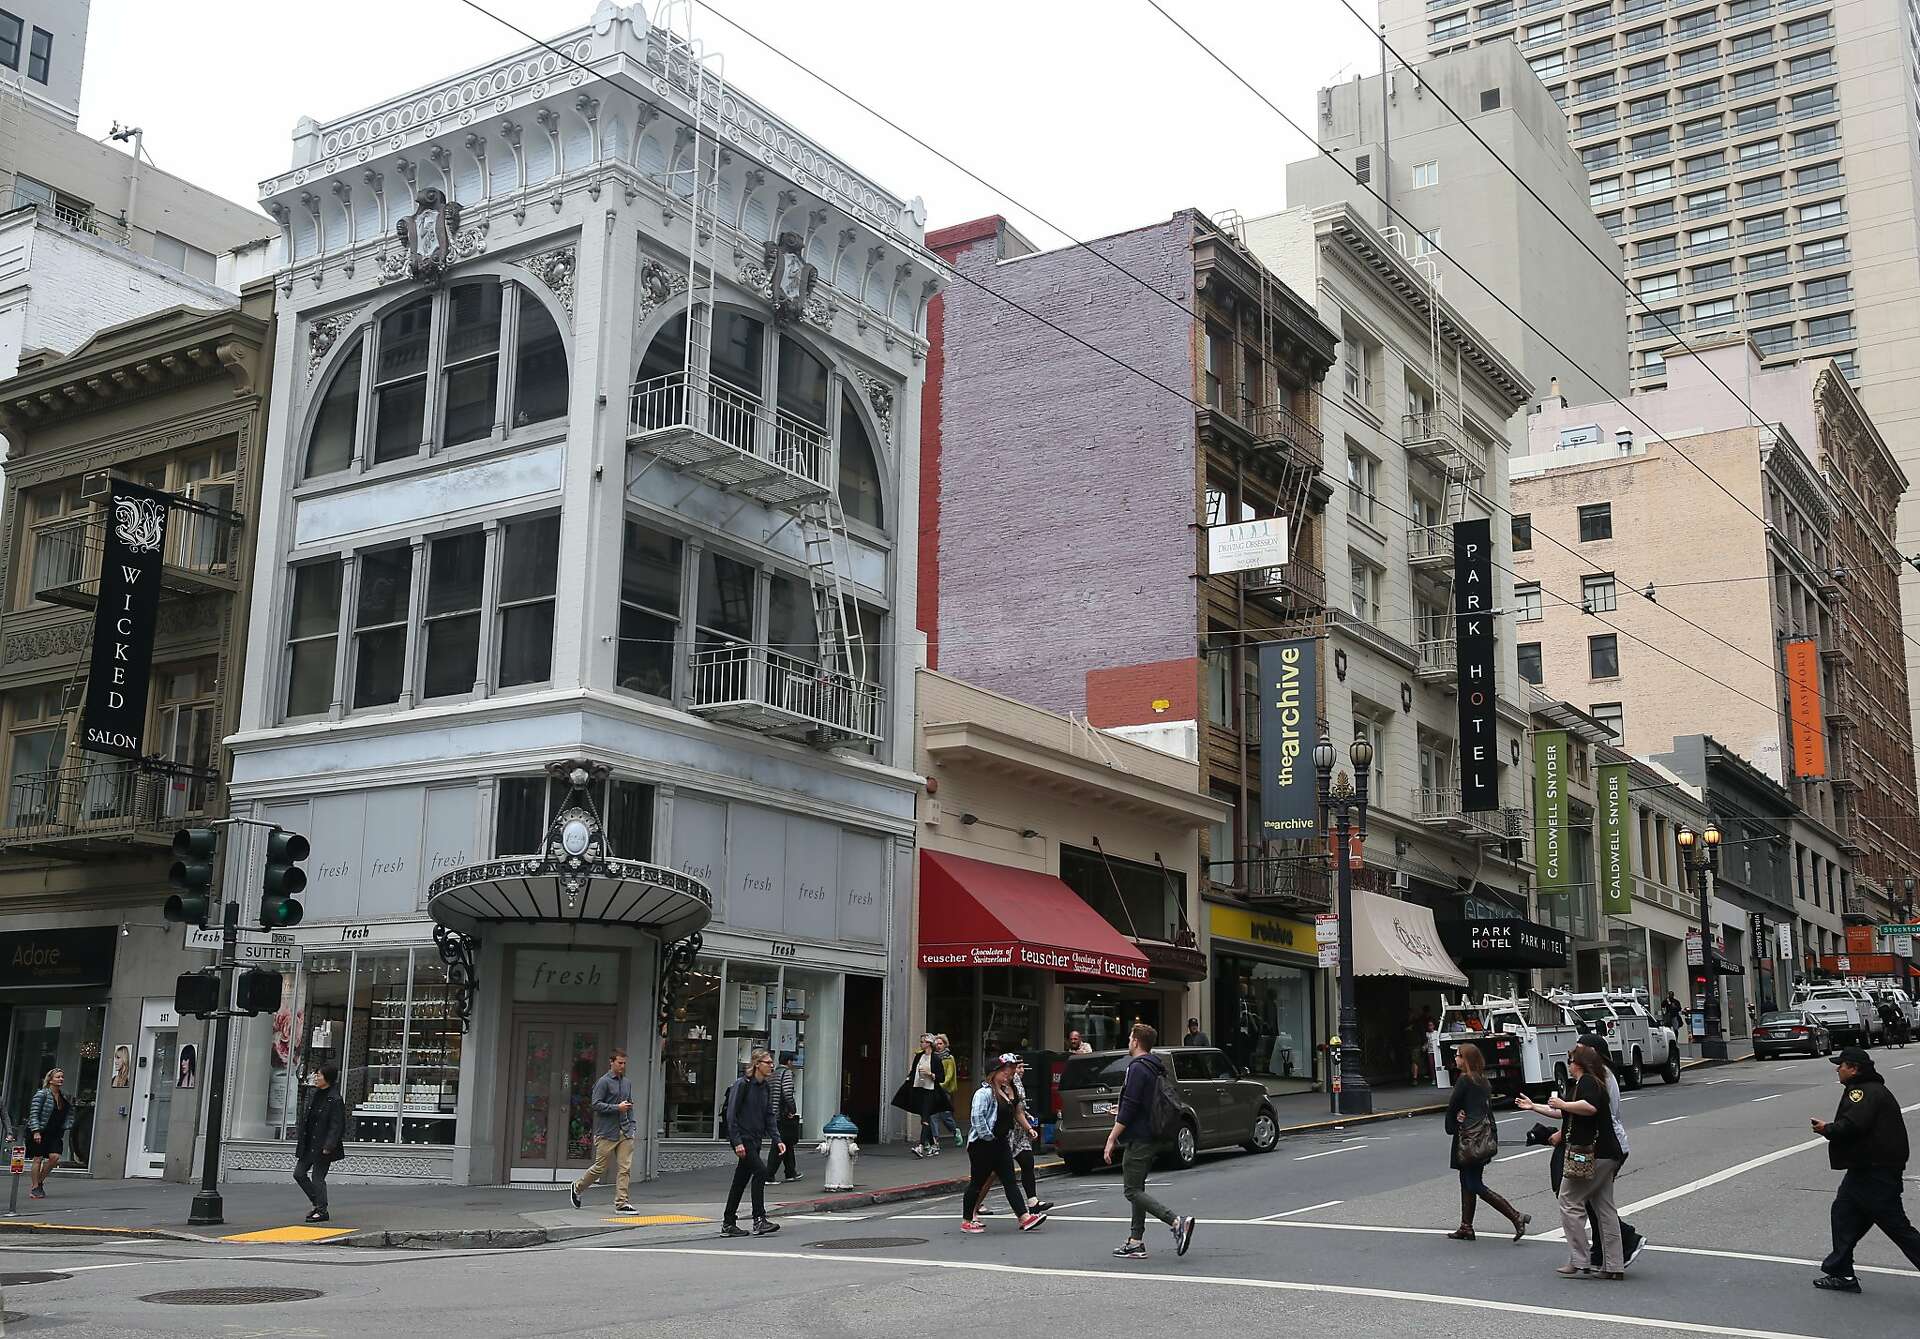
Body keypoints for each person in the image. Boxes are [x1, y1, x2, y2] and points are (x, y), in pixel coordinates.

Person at [1810, 1046, 1920, 1292]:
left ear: (1854, 1069)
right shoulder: (1871, 1089)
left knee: (1897, 1227)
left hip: (1875, 1172)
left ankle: (1841, 1271)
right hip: (1866, 1169)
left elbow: (1852, 1125)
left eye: (1841, 1065)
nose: (1838, 1070)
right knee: (1843, 1215)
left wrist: (1827, 1129)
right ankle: (1841, 1273)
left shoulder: (1861, 1092)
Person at [1519, 1043, 1624, 1279]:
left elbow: (1589, 1108)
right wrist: (1533, 1106)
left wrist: (1563, 1104)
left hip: (1593, 1153)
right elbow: (1564, 1112)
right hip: (1607, 1153)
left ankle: (1580, 1259)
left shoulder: (1587, 1081)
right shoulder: (1590, 1082)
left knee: (1568, 1199)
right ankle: (1613, 1265)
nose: (1568, 1065)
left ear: (1579, 1063)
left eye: (1570, 1060)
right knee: (1604, 1207)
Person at [1103, 1023, 1196, 1260]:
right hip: (1154, 1132)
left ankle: (1176, 1222)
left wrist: (1111, 1138)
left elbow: (1131, 1106)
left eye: (1130, 1038)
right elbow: (1144, 1102)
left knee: (1131, 1190)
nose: (1128, 1041)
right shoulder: (1155, 1066)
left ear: (1136, 1041)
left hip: (1140, 1136)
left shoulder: (1136, 1067)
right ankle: (1135, 1241)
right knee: (1138, 1188)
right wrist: (1121, 1110)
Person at [1443, 1043, 1528, 1242]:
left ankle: (1516, 1216)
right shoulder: (1483, 1081)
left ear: (1466, 1059)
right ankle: (1466, 1227)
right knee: (1467, 1181)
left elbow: (1453, 1108)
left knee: (1473, 1183)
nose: (1455, 1059)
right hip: (1482, 1136)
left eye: (1458, 1055)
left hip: (1469, 1138)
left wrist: (1454, 1123)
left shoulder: (1464, 1080)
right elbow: (1485, 1110)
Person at [960, 1054, 1048, 1233]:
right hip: (983, 1145)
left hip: (1001, 1142)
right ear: (993, 1073)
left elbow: (1014, 1113)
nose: (1008, 1076)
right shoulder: (983, 1093)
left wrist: (1025, 1129)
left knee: (1010, 1181)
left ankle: (1024, 1217)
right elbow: (977, 1119)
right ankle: (967, 1220)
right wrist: (988, 1137)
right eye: (1004, 1073)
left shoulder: (1005, 1091)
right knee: (977, 1182)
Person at [719, 1049, 785, 1238]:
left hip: (756, 1139)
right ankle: (759, 1219)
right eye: (768, 1062)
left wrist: (777, 1139)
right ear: (757, 1064)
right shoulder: (742, 1085)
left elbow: (769, 1115)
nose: (771, 1066)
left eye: (771, 1062)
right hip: (743, 1139)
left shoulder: (765, 1087)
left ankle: (728, 1223)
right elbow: (731, 1115)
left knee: (740, 1181)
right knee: (761, 1171)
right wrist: (737, 1142)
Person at [569, 1048, 636, 1213]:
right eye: (619, 1063)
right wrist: (617, 1107)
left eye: (624, 1063)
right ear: (611, 1062)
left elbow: (629, 1105)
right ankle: (577, 1187)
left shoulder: (627, 1082)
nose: (622, 1066)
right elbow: (595, 1104)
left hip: (625, 1131)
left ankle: (621, 1203)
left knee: (625, 1168)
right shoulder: (603, 1082)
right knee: (600, 1167)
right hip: (606, 1132)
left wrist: (632, 1126)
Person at [293, 1063, 346, 1223]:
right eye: (315, 1075)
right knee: (299, 1173)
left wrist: (329, 1145)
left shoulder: (335, 1099)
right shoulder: (314, 1094)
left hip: (323, 1145)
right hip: (309, 1143)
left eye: (319, 1075)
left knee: (317, 1178)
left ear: (327, 1078)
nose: (316, 1078)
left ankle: (322, 1210)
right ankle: (317, 1202)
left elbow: (337, 1125)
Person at [25, 1069, 69, 1201]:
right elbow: (34, 1113)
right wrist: (36, 1131)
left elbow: (69, 1112)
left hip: (55, 1133)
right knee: (38, 1158)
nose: (61, 1079)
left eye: (62, 1077)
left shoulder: (64, 1096)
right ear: (50, 1080)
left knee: (55, 1157)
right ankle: (35, 1187)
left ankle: (39, 1181)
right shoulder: (42, 1094)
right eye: (58, 1077)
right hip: (40, 1131)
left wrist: (67, 1125)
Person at [904, 1035, 943, 1157]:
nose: (921, 1044)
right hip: (918, 1089)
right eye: (920, 1041)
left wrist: (930, 1074)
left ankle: (920, 1146)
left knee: (925, 1118)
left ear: (929, 1044)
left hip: (930, 1091)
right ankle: (934, 1146)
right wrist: (909, 1079)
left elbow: (942, 1077)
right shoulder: (919, 1056)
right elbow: (913, 1071)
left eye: (923, 1042)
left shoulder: (936, 1059)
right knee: (924, 1118)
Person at [768, 1052, 802, 1183]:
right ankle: (769, 1175)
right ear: (788, 1061)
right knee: (779, 1143)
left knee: (787, 1142)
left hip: (773, 1112)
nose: (793, 1064)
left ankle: (790, 1172)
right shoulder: (786, 1073)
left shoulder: (773, 1074)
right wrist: (792, 1109)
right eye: (792, 1061)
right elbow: (787, 1093)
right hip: (782, 1114)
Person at [932, 1035, 963, 1148]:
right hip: (933, 1089)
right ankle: (935, 1139)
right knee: (933, 1115)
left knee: (945, 1116)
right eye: (936, 1044)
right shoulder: (931, 1057)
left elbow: (950, 1074)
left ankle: (955, 1131)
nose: (938, 1046)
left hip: (943, 1090)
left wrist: (942, 1084)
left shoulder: (949, 1058)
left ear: (945, 1044)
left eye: (940, 1043)